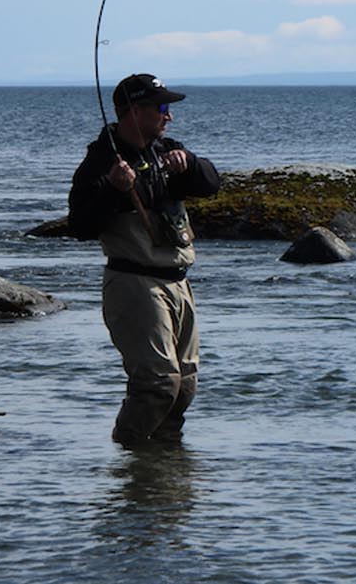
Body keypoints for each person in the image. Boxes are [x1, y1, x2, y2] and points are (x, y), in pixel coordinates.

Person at [68, 73, 220, 446]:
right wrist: (112, 188)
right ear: (134, 112)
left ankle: (164, 471)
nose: (168, 116)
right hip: (135, 282)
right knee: (157, 384)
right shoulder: (102, 161)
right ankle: (127, 459)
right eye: (162, 108)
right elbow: (81, 224)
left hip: (178, 281)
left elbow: (211, 184)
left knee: (184, 384)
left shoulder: (164, 151)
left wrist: (191, 163)